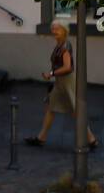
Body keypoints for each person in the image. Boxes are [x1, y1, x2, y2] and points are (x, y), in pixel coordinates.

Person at [26, 20, 99, 149]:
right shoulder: (60, 44)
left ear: (64, 30)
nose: (54, 31)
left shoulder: (65, 46)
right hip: (60, 82)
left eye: (57, 29)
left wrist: (51, 73)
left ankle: (91, 139)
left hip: (67, 82)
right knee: (51, 108)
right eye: (53, 29)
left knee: (76, 111)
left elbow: (67, 67)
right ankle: (41, 138)